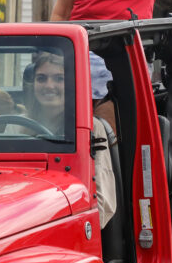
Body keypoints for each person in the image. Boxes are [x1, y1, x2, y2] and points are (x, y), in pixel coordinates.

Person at [25, 51, 116, 227]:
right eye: (41, 78)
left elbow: (104, 203)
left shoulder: (91, 128)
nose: (49, 86)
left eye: (59, 79)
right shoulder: (14, 127)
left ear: (72, 83)